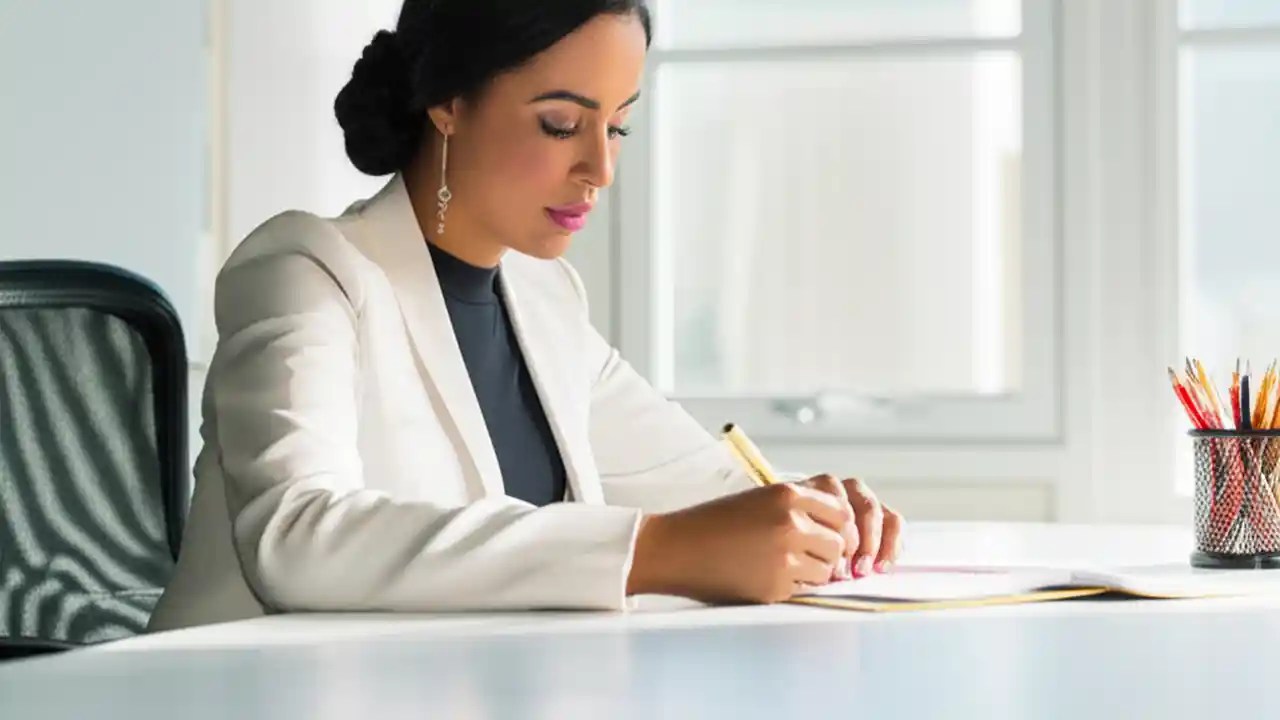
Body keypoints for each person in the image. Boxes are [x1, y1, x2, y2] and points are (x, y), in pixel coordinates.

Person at [148, 0, 904, 632]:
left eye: (616, 127)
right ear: (448, 102)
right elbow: (298, 538)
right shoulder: (307, 270)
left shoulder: (546, 299)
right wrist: (653, 551)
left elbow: (699, 485)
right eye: (559, 125)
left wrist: (812, 511)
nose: (599, 170)